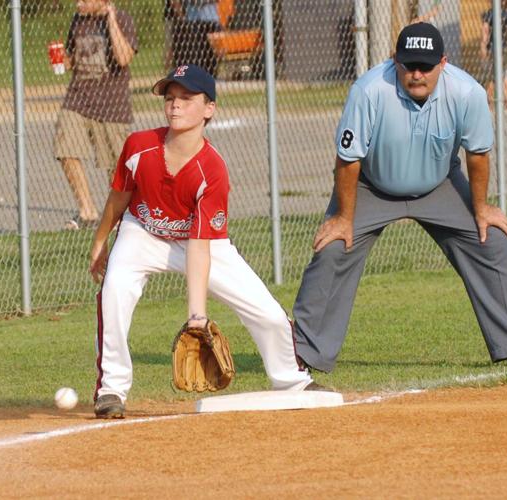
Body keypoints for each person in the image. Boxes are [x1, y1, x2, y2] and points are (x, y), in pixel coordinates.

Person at [291, 23, 507, 373]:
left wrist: (482, 208)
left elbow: (477, 155)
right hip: (370, 184)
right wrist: (343, 218)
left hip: (439, 183)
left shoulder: (467, 92)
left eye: (425, 66)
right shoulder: (369, 91)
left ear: (442, 62)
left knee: (491, 241)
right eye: (408, 64)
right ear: (394, 59)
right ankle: (304, 356)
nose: (416, 74)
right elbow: (348, 159)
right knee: (334, 248)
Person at [88, 65, 317, 418]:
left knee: (266, 312)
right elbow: (119, 198)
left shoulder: (212, 169)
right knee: (114, 291)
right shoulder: (138, 146)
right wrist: (100, 242)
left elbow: (198, 247)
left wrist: (197, 316)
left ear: (209, 108)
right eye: (170, 98)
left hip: (203, 243)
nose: (175, 106)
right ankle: (111, 390)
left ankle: (292, 381)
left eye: (187, 98)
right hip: (143, 231)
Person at [55, 0, 137, 230]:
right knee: (65, 149)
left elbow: (123, 58)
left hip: (111, 104)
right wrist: (63, 59)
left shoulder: (122, 19)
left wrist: (110, 19)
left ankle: (120, 217)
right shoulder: (78, 20)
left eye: (83, 0)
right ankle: (87, 212)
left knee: (116, 168)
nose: (77, 3)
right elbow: (73, 60)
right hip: (78, 98)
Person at [170, 0, 223, 76]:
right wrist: (182, 15)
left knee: (212, 50)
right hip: (193, 18)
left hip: (211, 17)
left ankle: (212, 75)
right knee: (197, 50)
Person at [480, 7, 507, 108]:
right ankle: (505, 100)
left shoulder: (489, 13)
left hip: (493, 48)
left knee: (493, 75)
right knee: (505, 74)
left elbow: (485, 31)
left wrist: (483, 46)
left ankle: (489, 100)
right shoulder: (506, 14)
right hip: (503, 48)